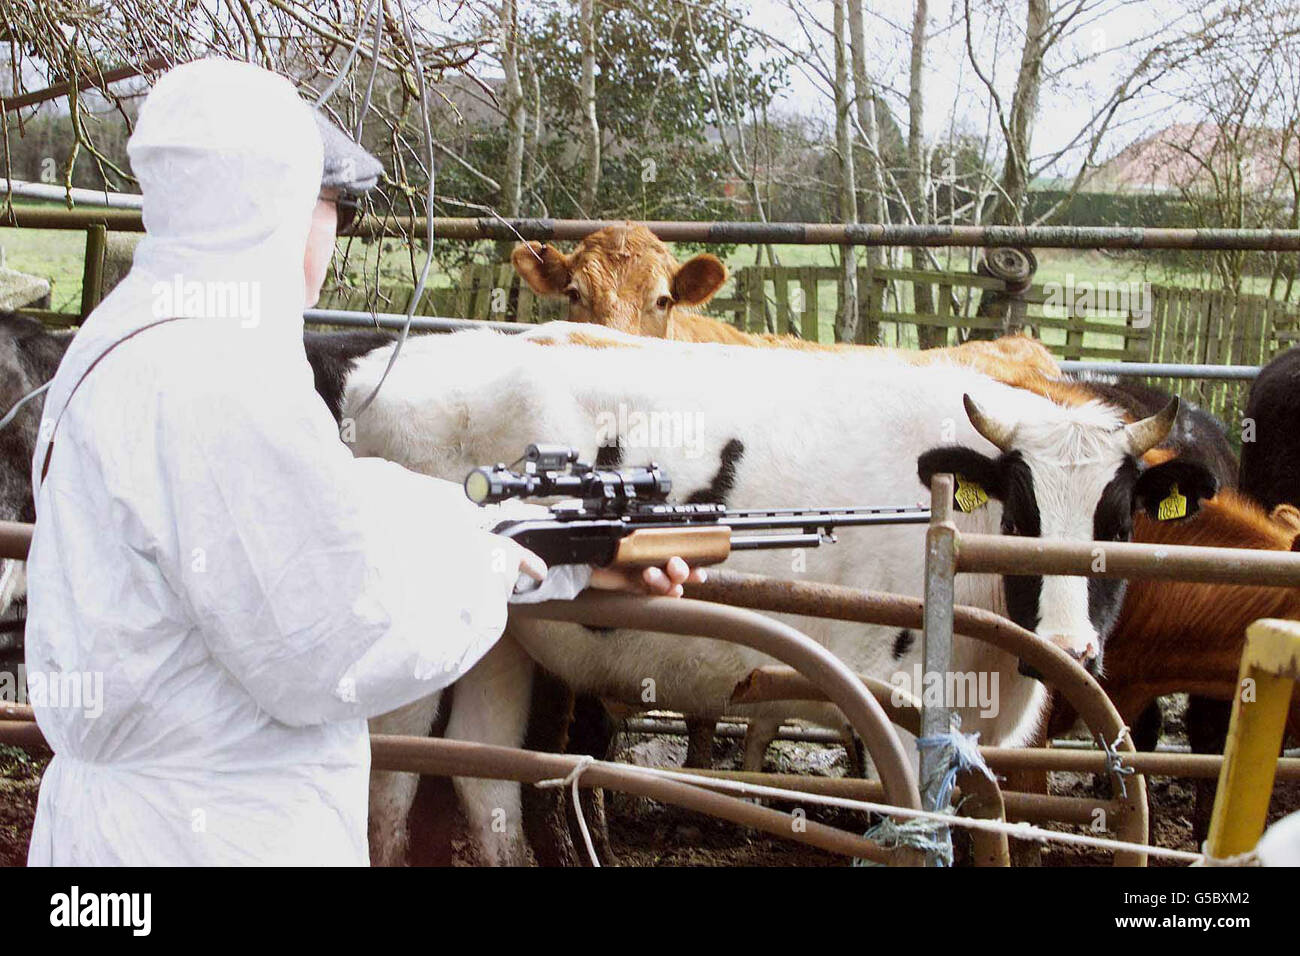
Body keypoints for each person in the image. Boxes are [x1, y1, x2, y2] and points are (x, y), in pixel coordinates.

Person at [24, 58, 700, 866]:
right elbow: (330, 640)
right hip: (215, 833)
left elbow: (318, 512)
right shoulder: (221, 378)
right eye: (331, 207)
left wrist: (551, 546)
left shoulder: (127, 338)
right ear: (272, 208)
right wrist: (490, 570)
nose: (334, 233)